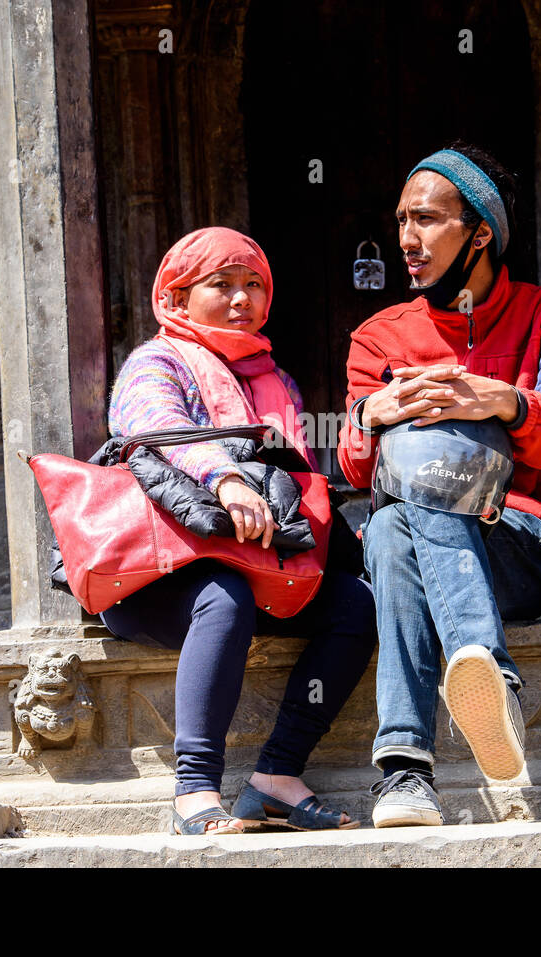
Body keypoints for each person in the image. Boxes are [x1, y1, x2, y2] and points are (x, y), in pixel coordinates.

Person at [337, 143, 541, 827]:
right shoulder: (377, 335)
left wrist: (504, 402)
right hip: (414, 548)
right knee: (393, 521)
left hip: (518, 542)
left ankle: (403, 773)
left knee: (414, 507)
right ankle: (490, 685)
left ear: (480, 231)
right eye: (400, 221)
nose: (406, 239)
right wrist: (373, 414)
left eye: (425, 220)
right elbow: (357, 470)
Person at [102, 226, 376, 835]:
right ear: (174, 299)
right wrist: (226, 479)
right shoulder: (155, 362)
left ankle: (276, 778)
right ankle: (194, 791)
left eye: (253, 284)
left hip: (258, 562)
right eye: (220, 285)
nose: (241, 299)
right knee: (222, 600)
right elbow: (159, 429)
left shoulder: (275, 380)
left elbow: (291, 476)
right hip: (158, 575)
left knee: (355, 605)